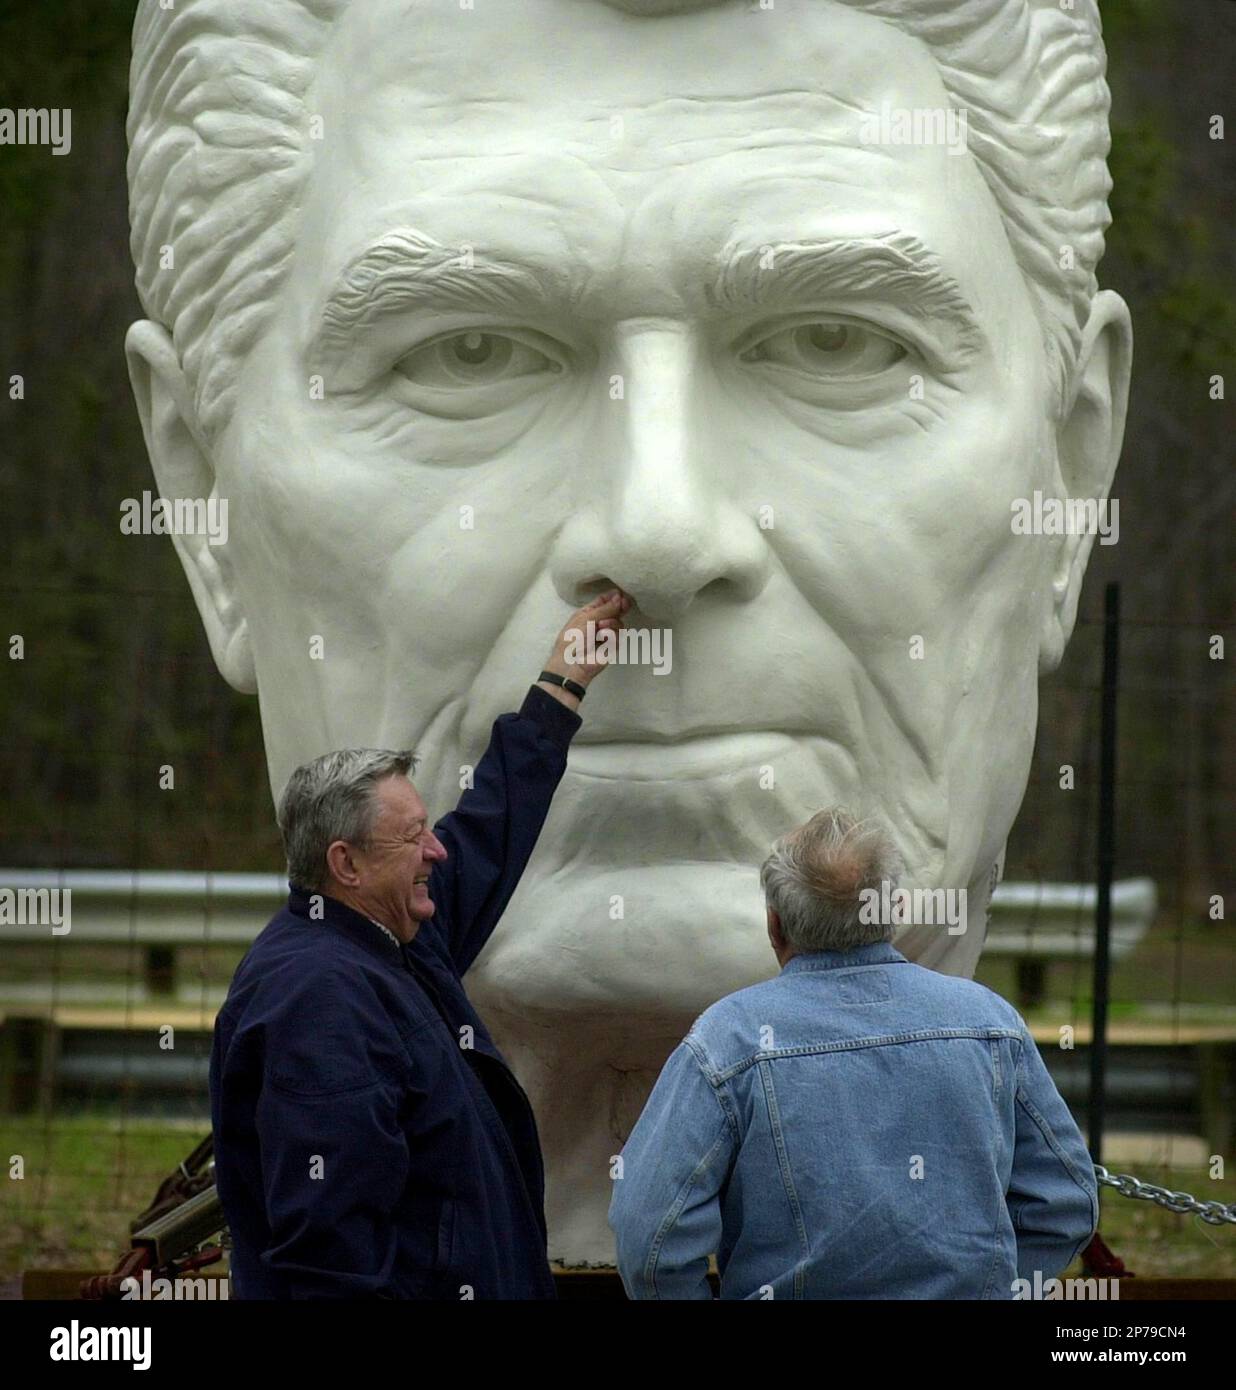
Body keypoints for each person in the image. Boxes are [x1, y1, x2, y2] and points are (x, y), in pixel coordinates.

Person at [210, 590, 629, 1299]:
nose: (436, 849)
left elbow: (491, 827)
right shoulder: (319, 1001)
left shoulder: (387, 938)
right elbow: (328, 1258)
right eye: (413, 837)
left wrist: (562, 685)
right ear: (346, 864)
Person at [609, 808, 1099, 1299]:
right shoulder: (991, 1024)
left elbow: (650, 1239)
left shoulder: (728, 1041)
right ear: (895, 909)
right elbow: (1066, 1204)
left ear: (774, 925)